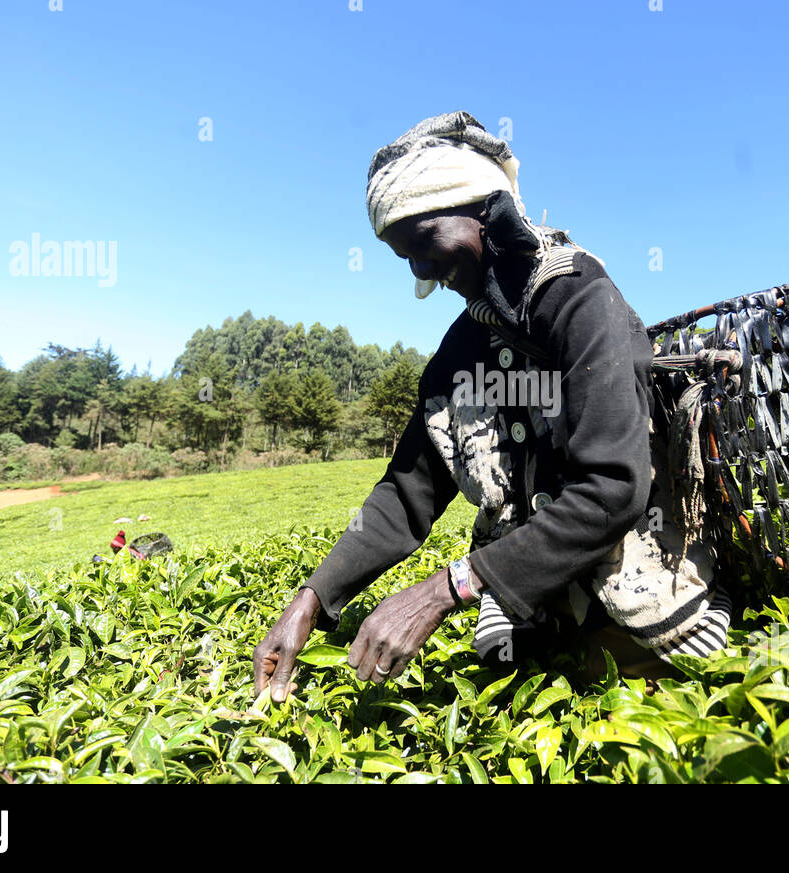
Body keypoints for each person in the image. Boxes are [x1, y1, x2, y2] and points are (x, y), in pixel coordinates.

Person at [253, 112, 731, 701]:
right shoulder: (464, 346)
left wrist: (442, 591)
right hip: (536, 591)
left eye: (424, 242)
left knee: (610, 684)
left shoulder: (579, 299)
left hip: (635, 573)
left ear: (486, 212)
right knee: (517, 672)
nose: (422, 271)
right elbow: (407, 494)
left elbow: (613, 488)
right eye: (405, 257)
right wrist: (313, 600)